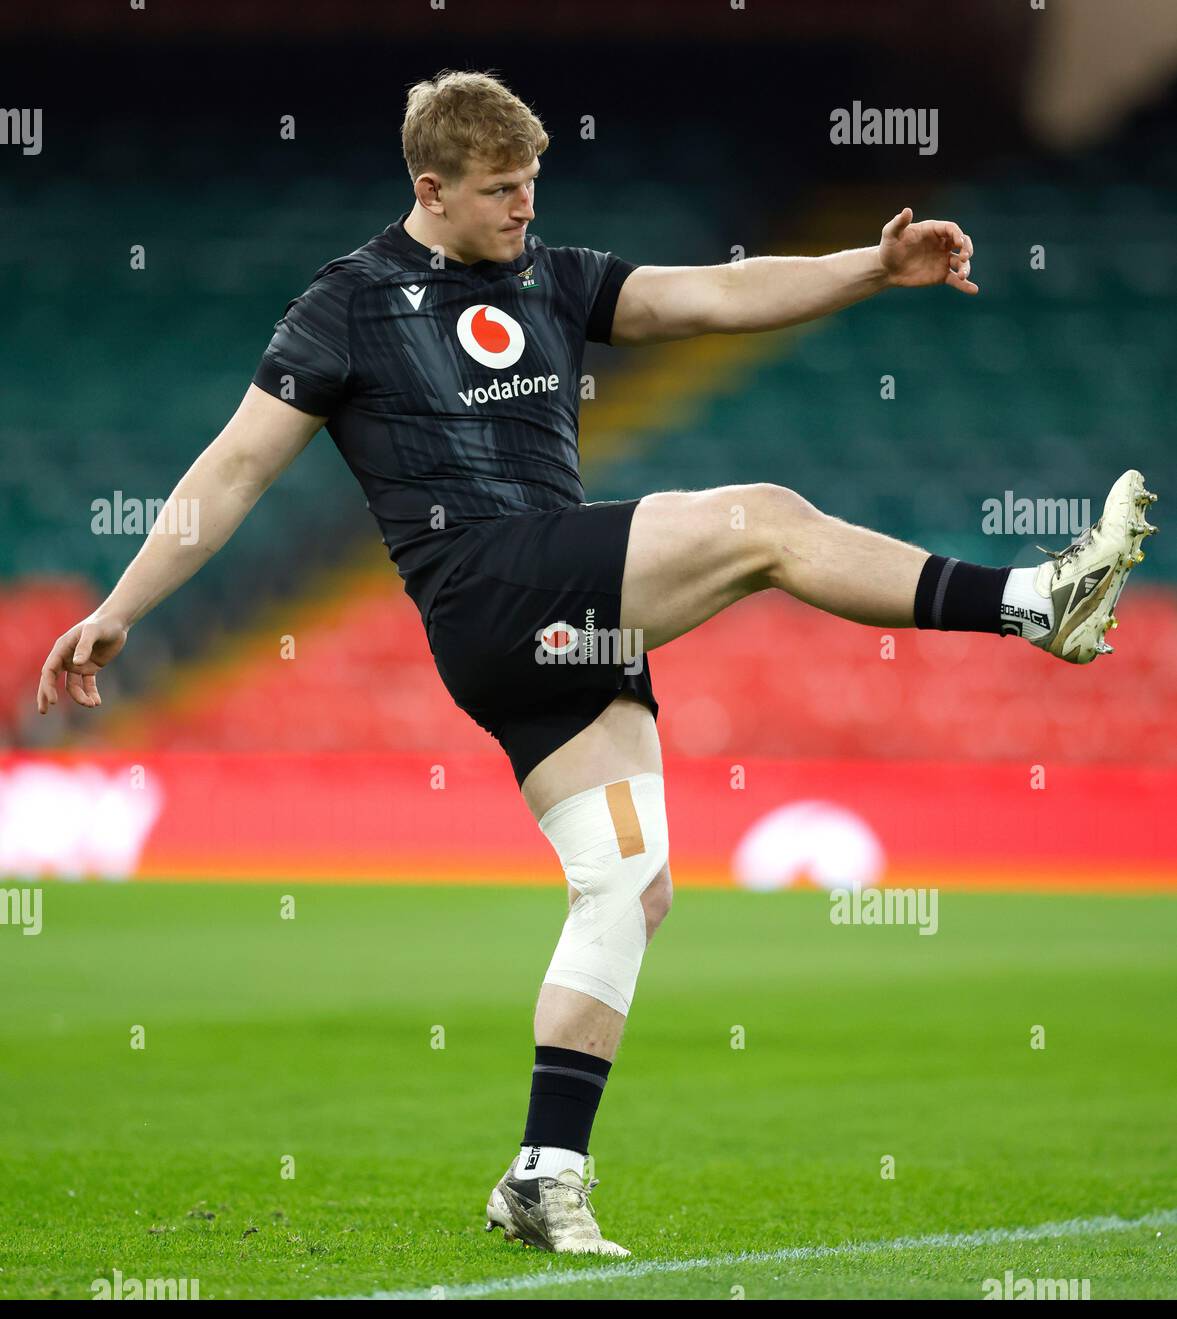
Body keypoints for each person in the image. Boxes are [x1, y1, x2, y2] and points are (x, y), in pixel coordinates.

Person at [35, 70, 1156, 1258]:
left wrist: (867, 267)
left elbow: (718, 294)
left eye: (532, 182)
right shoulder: (346, 305)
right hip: (487, 585)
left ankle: (542, 1174)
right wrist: (123, 604)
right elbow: (234, 467)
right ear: (431, 188)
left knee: (627, 886)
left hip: (562, 630)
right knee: (764, 521)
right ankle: (1035, 601)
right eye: (501, 189)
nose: (525, 206)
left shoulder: (550, 273)